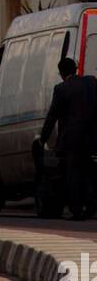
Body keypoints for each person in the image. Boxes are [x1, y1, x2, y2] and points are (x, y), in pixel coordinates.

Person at [39, 57, 97, 220]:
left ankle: (77, 210)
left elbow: (52, 116)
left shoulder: (61, 89)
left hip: (72, 140)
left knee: (73, 175)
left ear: (61, 73)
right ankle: (92, 205)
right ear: (76, 69)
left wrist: (43, 138)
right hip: (91, 138)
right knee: (89, 172)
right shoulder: (91, 82)